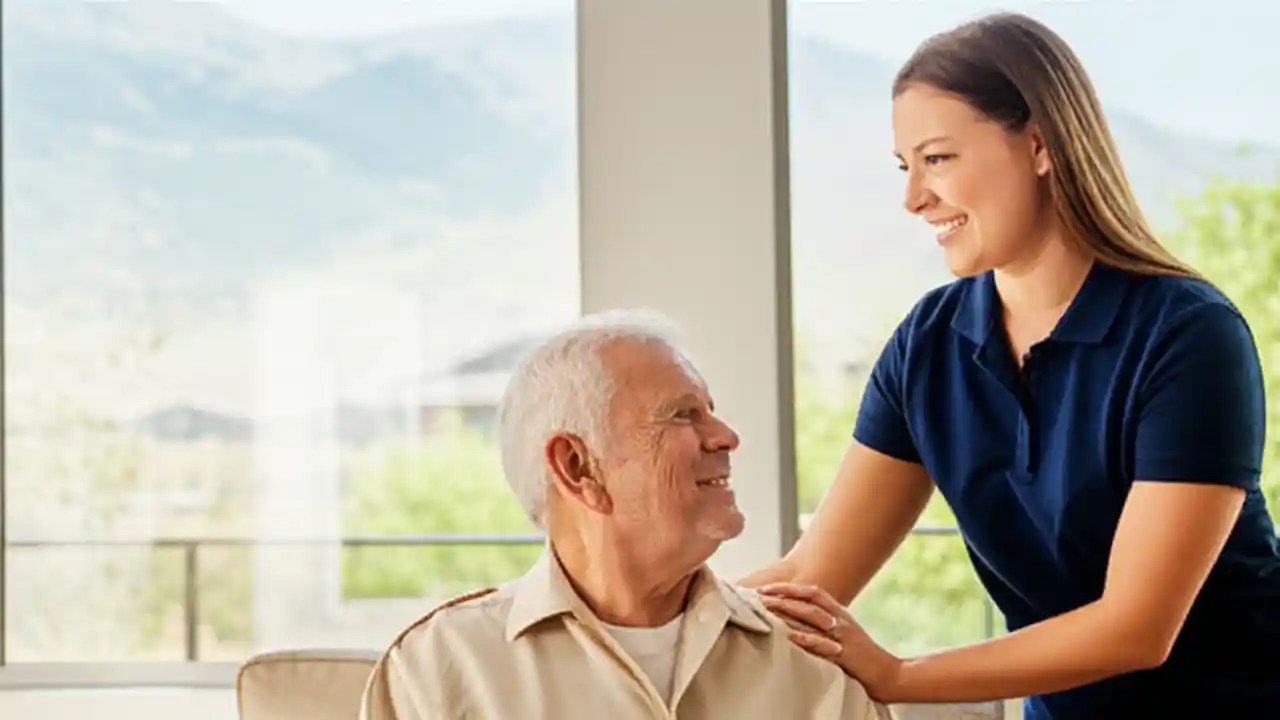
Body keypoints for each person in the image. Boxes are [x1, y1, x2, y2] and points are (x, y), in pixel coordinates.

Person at [743, 11, 1280, 719]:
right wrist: (632, 626)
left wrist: (898, 675)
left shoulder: (1189, 336)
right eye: (906, 167)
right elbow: (811, 576)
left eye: (938, 159)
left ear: (1040, 145)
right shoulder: (927, 345)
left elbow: (1136, 627)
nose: (912, 198)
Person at [360, 312, 893, 720]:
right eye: (683, 415)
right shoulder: (437, 668)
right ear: (577, 467)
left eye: (710, 411)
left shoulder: (811, 658)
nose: (726, 437)